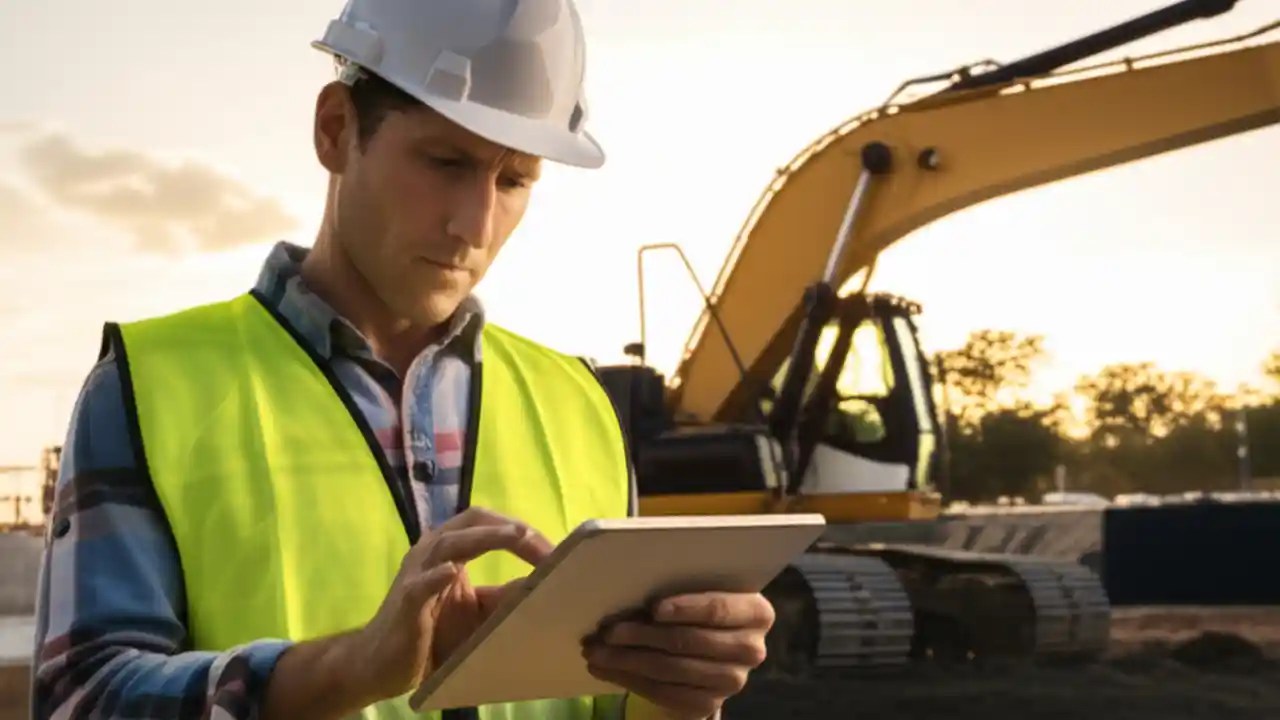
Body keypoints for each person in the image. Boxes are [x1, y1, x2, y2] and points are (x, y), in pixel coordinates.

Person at [29, 0, 775, 718]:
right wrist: (352, 668)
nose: (475, 225)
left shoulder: (578, 404)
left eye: (515, 180)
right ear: (334, 129)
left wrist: (677, 696)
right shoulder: (150, 386)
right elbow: (82, 700)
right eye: (446, 161)